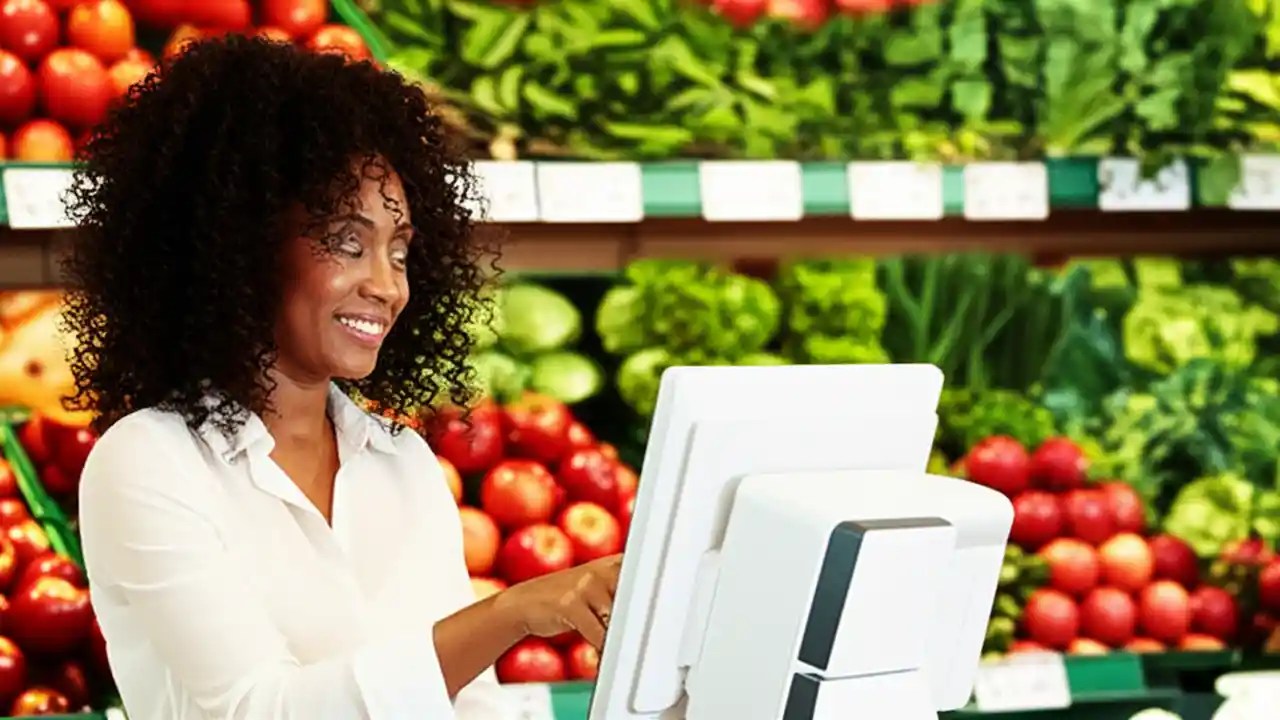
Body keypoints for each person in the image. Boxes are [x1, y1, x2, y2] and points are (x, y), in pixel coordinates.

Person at [61, 35, 620, 720]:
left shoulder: (402, 463)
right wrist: (510, 614)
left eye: (399, 252)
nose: (386, 285)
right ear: (243, 244)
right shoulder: (149, 461)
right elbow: (258, 710)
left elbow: (468, 706)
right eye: (349, 244)